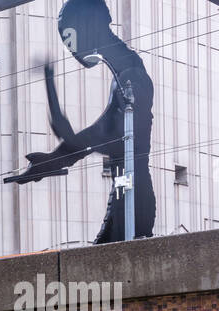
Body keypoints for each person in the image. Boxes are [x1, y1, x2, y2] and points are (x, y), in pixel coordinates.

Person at [8, 0, 154, 242]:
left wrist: (55, 158)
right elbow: (94, 137)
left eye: (71, 38)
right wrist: (53, 159)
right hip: (124, 191)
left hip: (132, 198)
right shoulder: (124, 73)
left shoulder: (131, 77)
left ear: (93, 26)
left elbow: (108, 136)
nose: (71, 48)